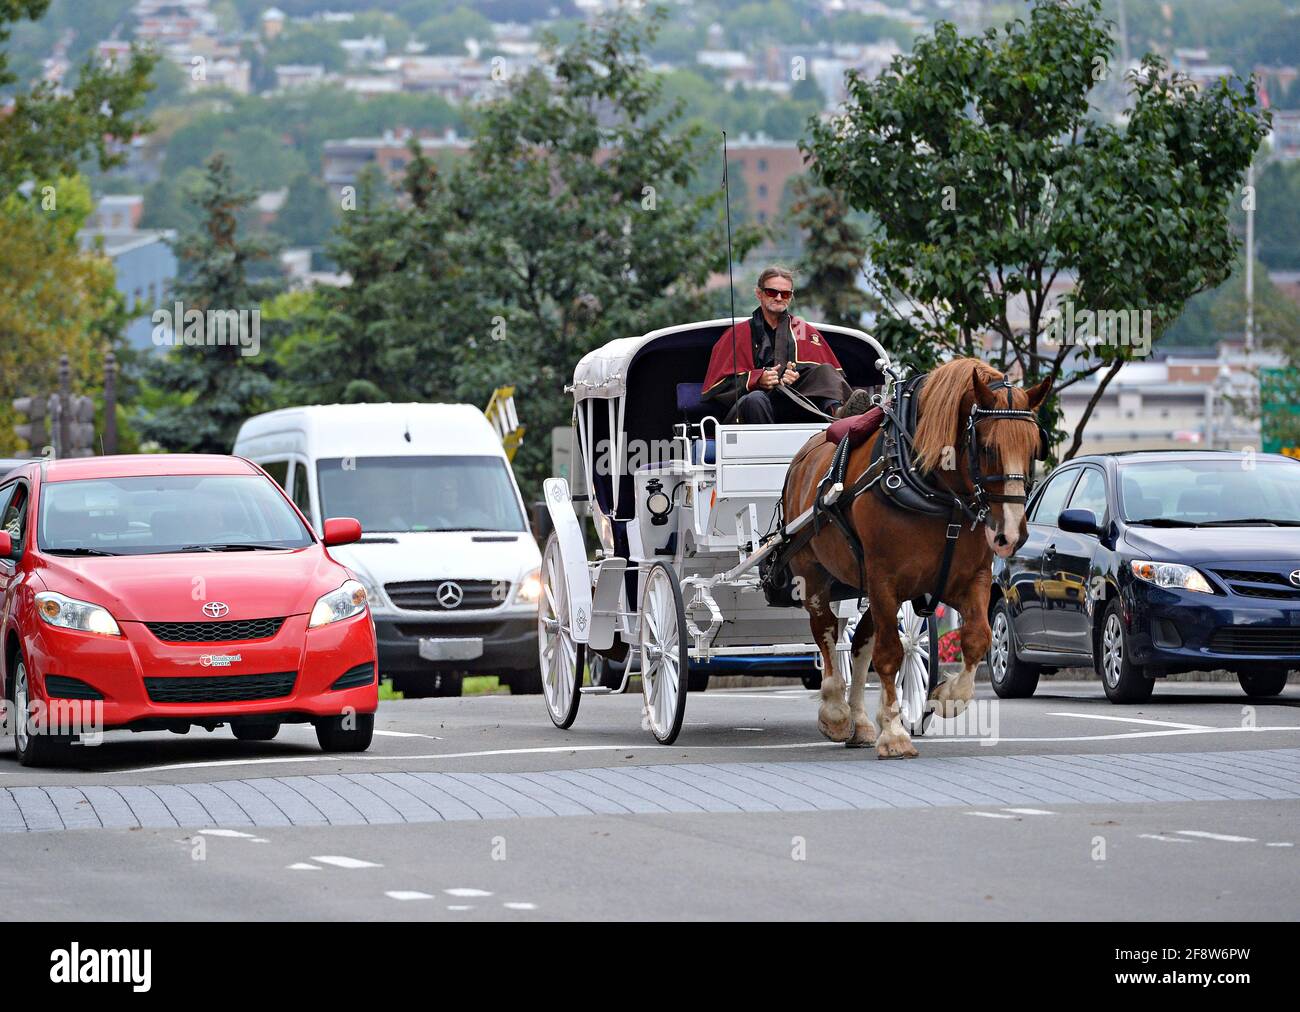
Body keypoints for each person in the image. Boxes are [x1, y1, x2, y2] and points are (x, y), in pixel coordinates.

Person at [701, 266, 871, 424]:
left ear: (791, 296)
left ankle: (838, 414)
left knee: (825, 370)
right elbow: (716, 390)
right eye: (771, 292)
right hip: (749, 410)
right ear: (759, 294)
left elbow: (824, 377)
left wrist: (794, 377)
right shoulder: (737, 334)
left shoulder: (802, 329)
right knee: (756, 399)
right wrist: (757, 379)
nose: (778, 297)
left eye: (785, 294)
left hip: (793, 403)